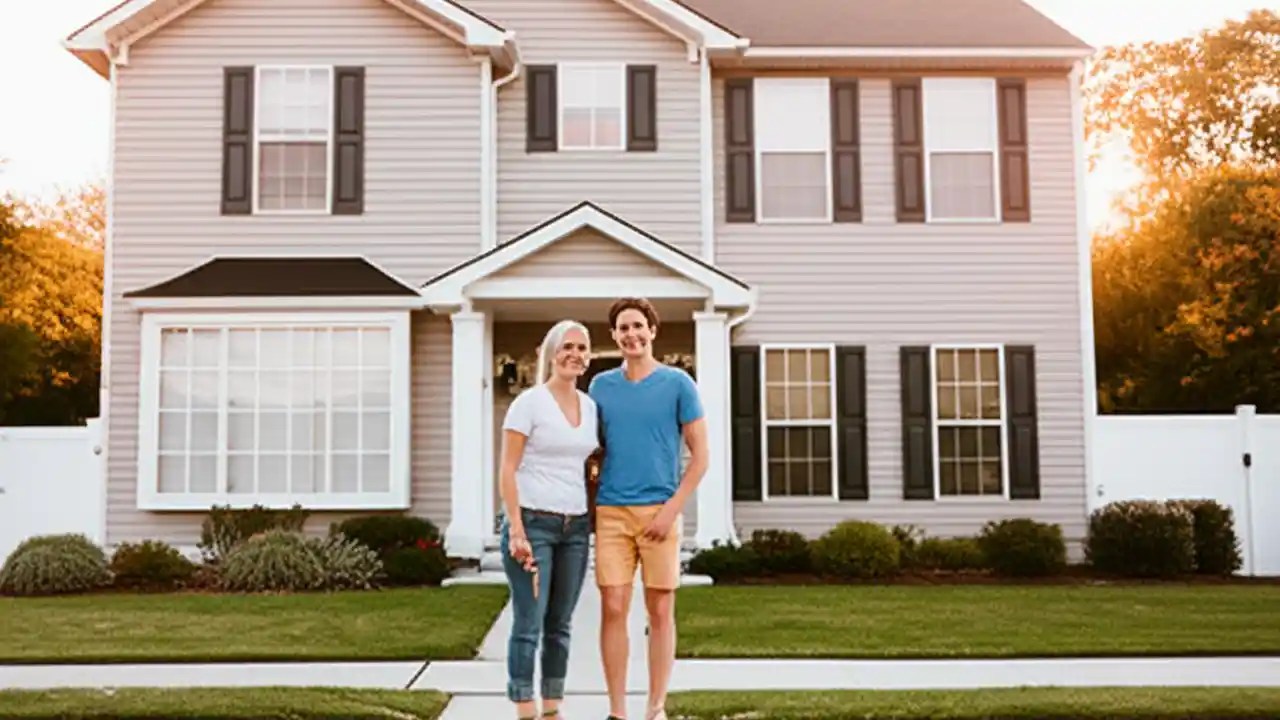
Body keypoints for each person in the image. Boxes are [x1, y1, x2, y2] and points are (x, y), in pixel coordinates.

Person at [588, 298, 708, 720]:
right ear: (614, 336)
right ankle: (618, 712)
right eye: (623, 328)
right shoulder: (600, 387)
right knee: (614, 607)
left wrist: (671, 510)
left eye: (638, 325)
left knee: (660, 611)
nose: (631, 334)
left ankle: (655, 708)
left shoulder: (679, 384)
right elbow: (586, 446)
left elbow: (701, 456)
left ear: (653, 331)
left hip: (661, 512)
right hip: (611, 513)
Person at [498, 320, 599, 720]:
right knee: (529, 622)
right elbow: (507, 469)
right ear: (552, 353)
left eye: (582, 348)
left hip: (575, 528)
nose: (575, 354)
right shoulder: (529, 403)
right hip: (534, 523)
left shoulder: (589, 407)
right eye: (568, 346)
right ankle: (525, 706)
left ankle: (553, 707)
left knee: (561, 623)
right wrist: (516, 529)